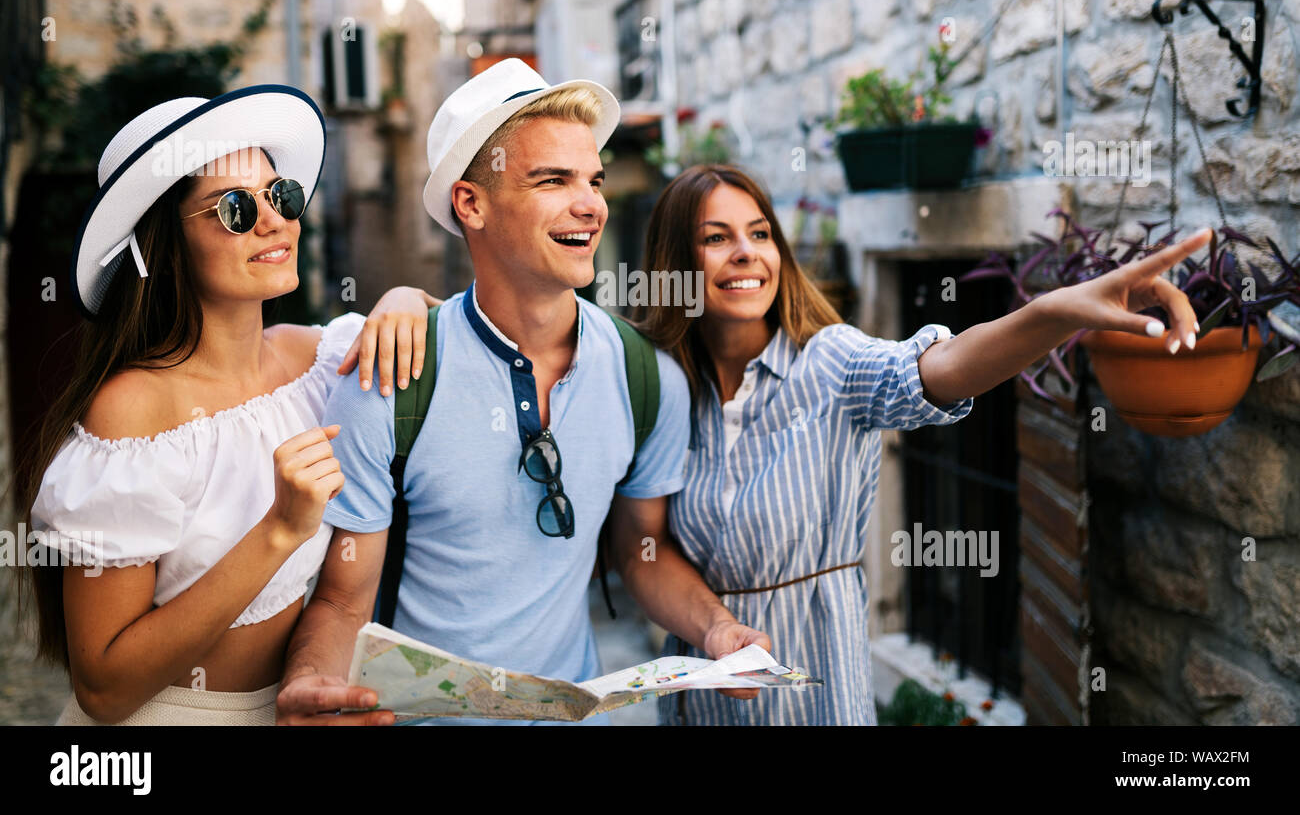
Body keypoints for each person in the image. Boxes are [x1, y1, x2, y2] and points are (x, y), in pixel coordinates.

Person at [276, 59, 769, 725]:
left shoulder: (646, 377)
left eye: (592, 180)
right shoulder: (390, 379)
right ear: (470, 203)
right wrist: (310, 681)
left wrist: (717, 630)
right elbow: (340, 599)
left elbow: (638, 552)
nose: (590, 203)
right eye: (553, 180)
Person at [634, 163, 1209, 725]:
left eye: (760, 233)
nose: (746, 251)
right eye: (716, 238)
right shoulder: (658, 388)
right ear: (675, 263)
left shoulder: (831, 361)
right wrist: (713, 628)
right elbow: (642, 546)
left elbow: (944, 366)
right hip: (699, 696)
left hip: (814, 690)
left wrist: (1052, 311)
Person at [16, 85, 435, 725]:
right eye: (235, 208)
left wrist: (405, 296)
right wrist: (279, 530)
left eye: (282, 194)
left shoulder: (316, 361)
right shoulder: (131, 414)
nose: (273, 219)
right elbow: (104, 689)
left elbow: (447, 327)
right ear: (165, 241)